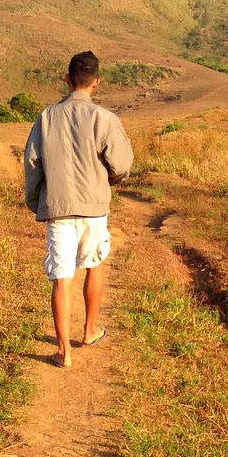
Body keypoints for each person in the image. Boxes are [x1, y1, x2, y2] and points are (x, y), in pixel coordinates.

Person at [24, 51, 134, 369]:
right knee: (94, 265)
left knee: (61, 277)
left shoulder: (45, 119)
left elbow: (33, 166)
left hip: (57, 207)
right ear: (96, 83)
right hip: (94, 207)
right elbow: (122, 164)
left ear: (67, 79)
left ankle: (63, 352)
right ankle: (88, 331)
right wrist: (108, 181)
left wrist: (36, 201)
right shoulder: (105, 119)